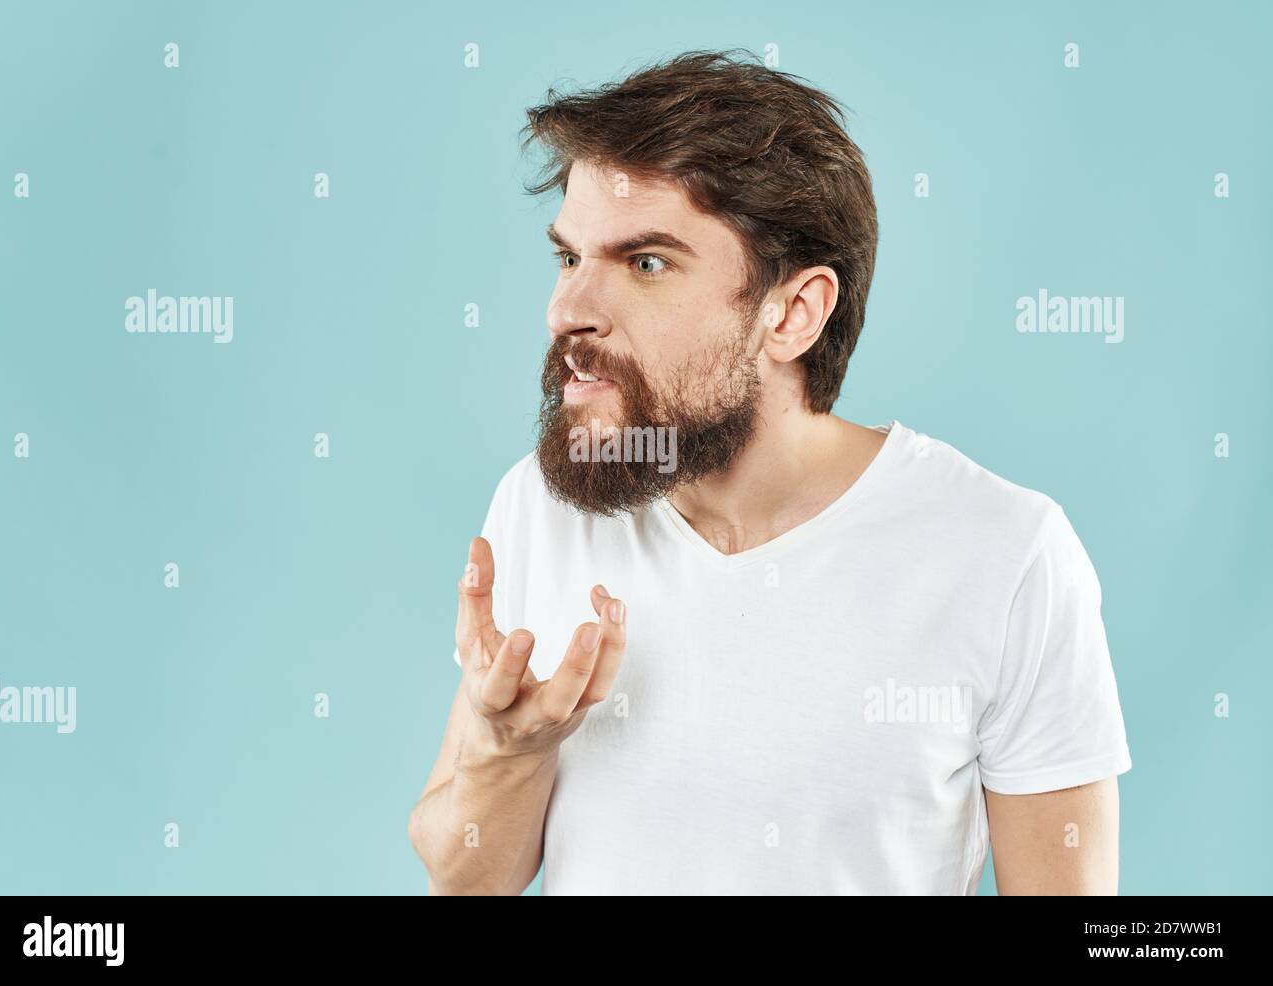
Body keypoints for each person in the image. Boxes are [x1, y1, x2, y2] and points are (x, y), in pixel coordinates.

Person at [408, 49, 1131, 895]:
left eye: (645, 264)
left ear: (792, 314)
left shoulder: (1006, 553)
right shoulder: (540, 505)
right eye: (570, 258)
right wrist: (508, 753)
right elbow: (466, 876)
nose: (567, 312)